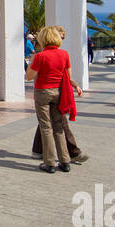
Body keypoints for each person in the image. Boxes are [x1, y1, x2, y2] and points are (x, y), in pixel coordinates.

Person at [25, 25, 86, 173]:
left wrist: (31, 62)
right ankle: (65, 161)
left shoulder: (40, 56)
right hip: (59, 92)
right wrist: (76, 86)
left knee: (46, 127)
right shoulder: (64, 54)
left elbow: (29, 77)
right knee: (58, 127)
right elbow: (68, 76)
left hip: (43, 92)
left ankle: (50, 162)